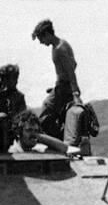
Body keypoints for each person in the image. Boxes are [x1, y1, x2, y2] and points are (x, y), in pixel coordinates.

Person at [32, 18, 84, 149]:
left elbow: (71, 71)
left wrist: (75, 93)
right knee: (56, 116)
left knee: (45, 112)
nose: (41, 43)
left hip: (65, 88)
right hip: (61, 86)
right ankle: (57, 140)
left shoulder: (60, 49)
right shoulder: (62, 44)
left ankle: (45, 142)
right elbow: (74, 64)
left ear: (47, 34)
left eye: (41, 39)